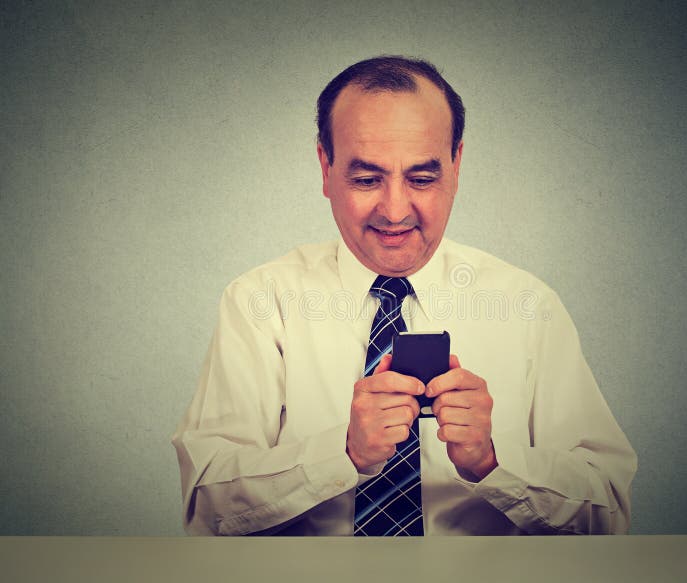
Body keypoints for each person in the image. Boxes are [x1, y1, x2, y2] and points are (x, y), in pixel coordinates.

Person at [171, 56, 637, 536]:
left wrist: (495, 462)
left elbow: (610, 515)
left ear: (456, 165)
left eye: (421, 178)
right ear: (325, 167)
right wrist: (342, 454)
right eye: (367, 179)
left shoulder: (529, 307)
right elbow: (207, 508)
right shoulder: (259, 303)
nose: (394, 211)